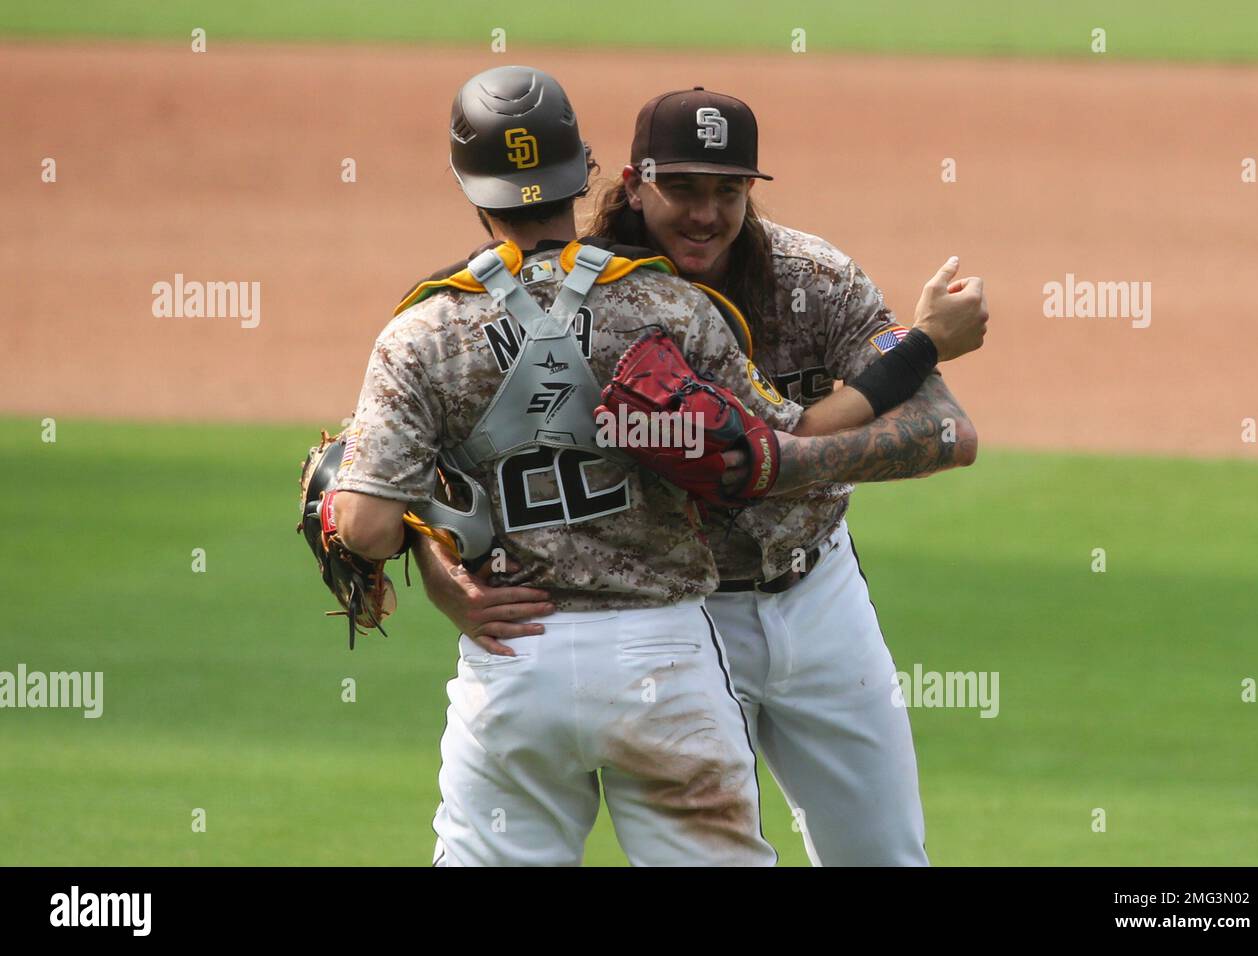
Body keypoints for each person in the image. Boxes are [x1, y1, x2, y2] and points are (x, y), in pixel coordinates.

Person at [328, 66, 883, 867]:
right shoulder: (674, 307)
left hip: (513, 658)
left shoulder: (420, 332)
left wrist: (422, 543)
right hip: (665, 665)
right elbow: (775, 455)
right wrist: (905, 362)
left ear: (468, 185)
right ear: (583, 171)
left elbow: (368, 528)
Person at [420, 87, 989, 866]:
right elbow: (404, 446)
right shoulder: (579, 285)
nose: (705, 213)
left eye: (729, 190)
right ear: (634, 179)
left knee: (885, 856)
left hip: (820, 599)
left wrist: (775, 463)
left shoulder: (813, 279)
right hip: (679, 616)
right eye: (682, 188)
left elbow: (949, 432)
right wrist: (438, 568)